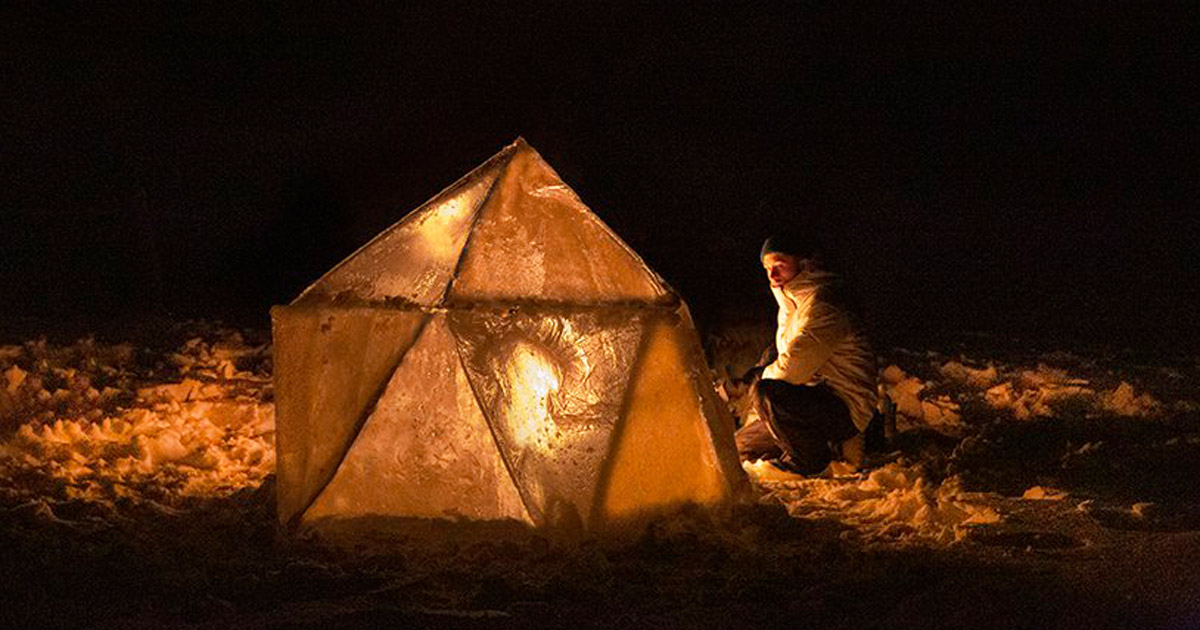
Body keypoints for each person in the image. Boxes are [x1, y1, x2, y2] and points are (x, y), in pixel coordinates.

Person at [733, 233, 880, 475]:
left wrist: (750, 383)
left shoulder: (826, 303)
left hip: (843, 406)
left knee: (766, 393)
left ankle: (811, 462)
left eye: (779, 265)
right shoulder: (792, 303)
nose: (772, 275)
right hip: (809, 397)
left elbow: (792, 369)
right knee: (739, 448)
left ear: (804, 263)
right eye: (767, 268)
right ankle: (823, 446)